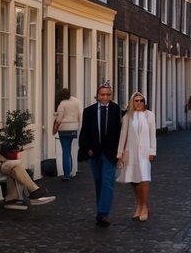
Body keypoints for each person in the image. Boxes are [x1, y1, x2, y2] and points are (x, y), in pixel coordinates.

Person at [0, 109, 57, 210]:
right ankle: (33, 191)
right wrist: (0, 161)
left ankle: (13, 199)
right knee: (13, 166)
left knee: (14, 167)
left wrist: (2, 160)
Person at [79, 84, 123, 226]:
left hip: (110, 153)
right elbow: (84, 131)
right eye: (102, 94)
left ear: (111, 95)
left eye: (108, 94)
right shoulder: (89, 111)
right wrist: (87, 149)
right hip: (94, 152)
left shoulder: (116, 110)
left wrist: (120, 151)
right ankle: (100, 211)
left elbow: (119, 132)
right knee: (98, 182)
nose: (105, 97)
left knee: (107, 182)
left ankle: (103, 213)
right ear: (98, 96)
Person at [116, 91, 157, 222]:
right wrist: (120, 153)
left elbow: (152, 134)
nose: (139, 103)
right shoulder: (128, 116)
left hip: (145, 153)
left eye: (141, 101)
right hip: (131, 152)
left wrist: (152, 151)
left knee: (144, 179)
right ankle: (139, 205)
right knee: (134, 180)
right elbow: (123, 135)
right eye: (136, 101)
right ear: (132, 102)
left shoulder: (150, 115)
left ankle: (144, 207)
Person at [52, 87, 81, 180]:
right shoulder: (76, 101)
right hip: (74, 127)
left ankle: (67, 175)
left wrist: (55, 125)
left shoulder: (62, 103)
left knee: (65, 151)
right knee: (71, 150)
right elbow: (81, 114)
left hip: (64, 128)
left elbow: (59, 118)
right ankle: (72, 171)